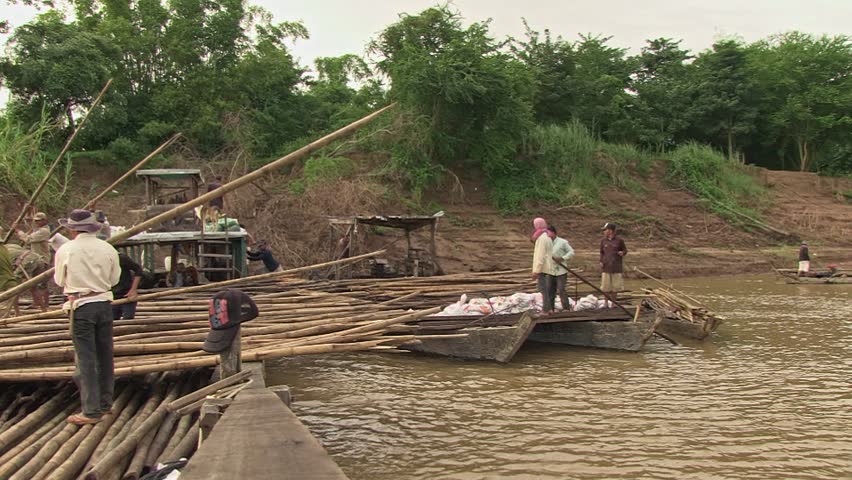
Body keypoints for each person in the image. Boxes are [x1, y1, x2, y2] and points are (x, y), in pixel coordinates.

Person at [54, 209, 121, 425]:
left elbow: (59, 280)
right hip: (103, 304)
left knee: (86, 359)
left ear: (72, 230)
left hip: (81, 306)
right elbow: (114, 279)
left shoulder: (66, 250)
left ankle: (91, 411)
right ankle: (105, 404)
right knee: (105, 354)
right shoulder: (108, 248)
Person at [6, 243, 50, 312]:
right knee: (33, 286)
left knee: (15, 288)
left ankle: (17, 312)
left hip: (27, 261)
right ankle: (43, 308)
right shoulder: (11, 246)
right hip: (37, 258)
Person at [531, 217, 557, 315]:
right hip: (547, 267)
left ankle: (546, 309)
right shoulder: (547, 237)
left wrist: (536, 270)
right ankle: (549, 308)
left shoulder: (541, 239)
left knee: (543, 289)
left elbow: (540, 255)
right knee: (546, 289)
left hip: (542, 268)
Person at [548, 226, 575, 311]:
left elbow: (571, 252)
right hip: (550, 270)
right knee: (550, 290)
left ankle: (566, 308)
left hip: (561, 270)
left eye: (548, 233)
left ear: (553, 232)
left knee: (561, 289)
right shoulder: (546, 243)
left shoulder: (562, 242)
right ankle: (550, 309)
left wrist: (562, 258)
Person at [600, 222, 628, 299]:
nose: (604, 232)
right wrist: (601, 261)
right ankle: (606, 303)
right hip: (606, 267)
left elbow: (625, 250)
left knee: (615, 287)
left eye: (605, 230)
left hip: (616, 267)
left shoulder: (620, 240)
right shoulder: (603, 241)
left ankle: (613, 303)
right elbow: (601, 252)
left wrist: (622, 253)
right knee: (605, 287)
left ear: (611, 231)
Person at [112, 252, 143, 320]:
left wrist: (133, 289)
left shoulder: (121, 258)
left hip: (127, 294)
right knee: (112, 320)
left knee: (128, 318)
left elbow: (138, 269)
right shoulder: (98, 261)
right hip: (111, 296)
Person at [0, 241, 20, 317]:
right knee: (4, 316)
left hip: (3, 285)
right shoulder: (3, 248)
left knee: (1, 316)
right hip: (9, 284)